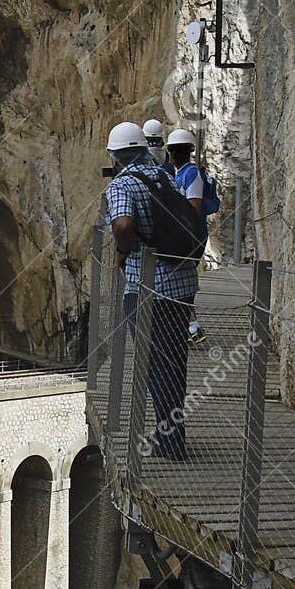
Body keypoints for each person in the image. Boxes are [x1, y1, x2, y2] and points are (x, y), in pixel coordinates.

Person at [104, 121, 196, 461]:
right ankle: (174, 435)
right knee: (175, 361)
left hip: (147, 289)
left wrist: (123, 250)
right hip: (183, 283)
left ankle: (169, 443)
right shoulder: (166, 176)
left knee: (153, 362)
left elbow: (123, 224)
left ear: (114, 156)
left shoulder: (122, 185)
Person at [165, 128, 209, 346]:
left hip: (191, 237)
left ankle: (192, 327)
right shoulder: (180, 173)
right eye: (174, 150)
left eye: (178, 150)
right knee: (181, 280)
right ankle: (191, 326)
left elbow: (194, 207)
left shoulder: (191, 174)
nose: (175, 154)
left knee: (182, 280)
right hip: (186, 236)